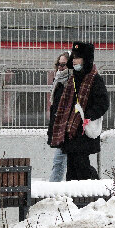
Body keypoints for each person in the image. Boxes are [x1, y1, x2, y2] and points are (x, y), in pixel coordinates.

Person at [50, 42, 109, 181]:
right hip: (71, 131)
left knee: (81, 166)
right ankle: (74, 198)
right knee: (71, 169)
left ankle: (88, 194)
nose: (74, 60)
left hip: (83, 131)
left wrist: (87, 116)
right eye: (74, 57)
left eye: (77, 57)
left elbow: (103, 103)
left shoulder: (94, 79)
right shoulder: (72, 78)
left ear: (86, 59)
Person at [47, 51, 71, 182]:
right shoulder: (58, 81)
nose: (60, 68)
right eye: (58, 64)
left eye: (63, 65)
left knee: (59, 162)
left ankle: (53, 188)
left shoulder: (71, 82)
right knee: (62, 162)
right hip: (60, 128)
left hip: (67, 129)